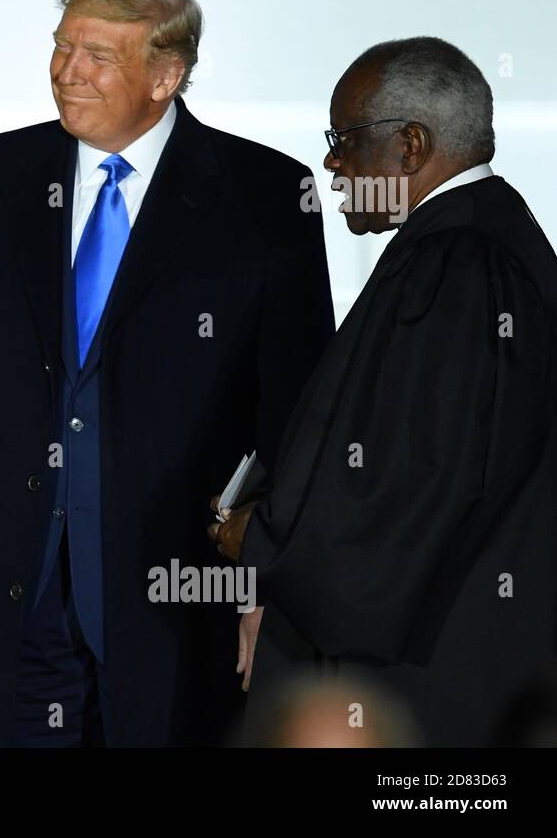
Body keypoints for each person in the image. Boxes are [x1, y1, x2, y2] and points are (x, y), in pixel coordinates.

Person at [0, 0, 334, 746]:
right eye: (62, 46)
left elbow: (292, 419)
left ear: (166, 75)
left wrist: (268, 588)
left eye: (98, 56)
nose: (68, 73)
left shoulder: (266, 197)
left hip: (179, 609)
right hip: (6, 605)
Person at [211, 37, 557, 747]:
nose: (333, 163)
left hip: (425, 685)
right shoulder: (482, 242)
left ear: (410, 144)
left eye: (344, 139)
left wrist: (263, 540)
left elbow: (413, 489)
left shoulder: (459, 263)